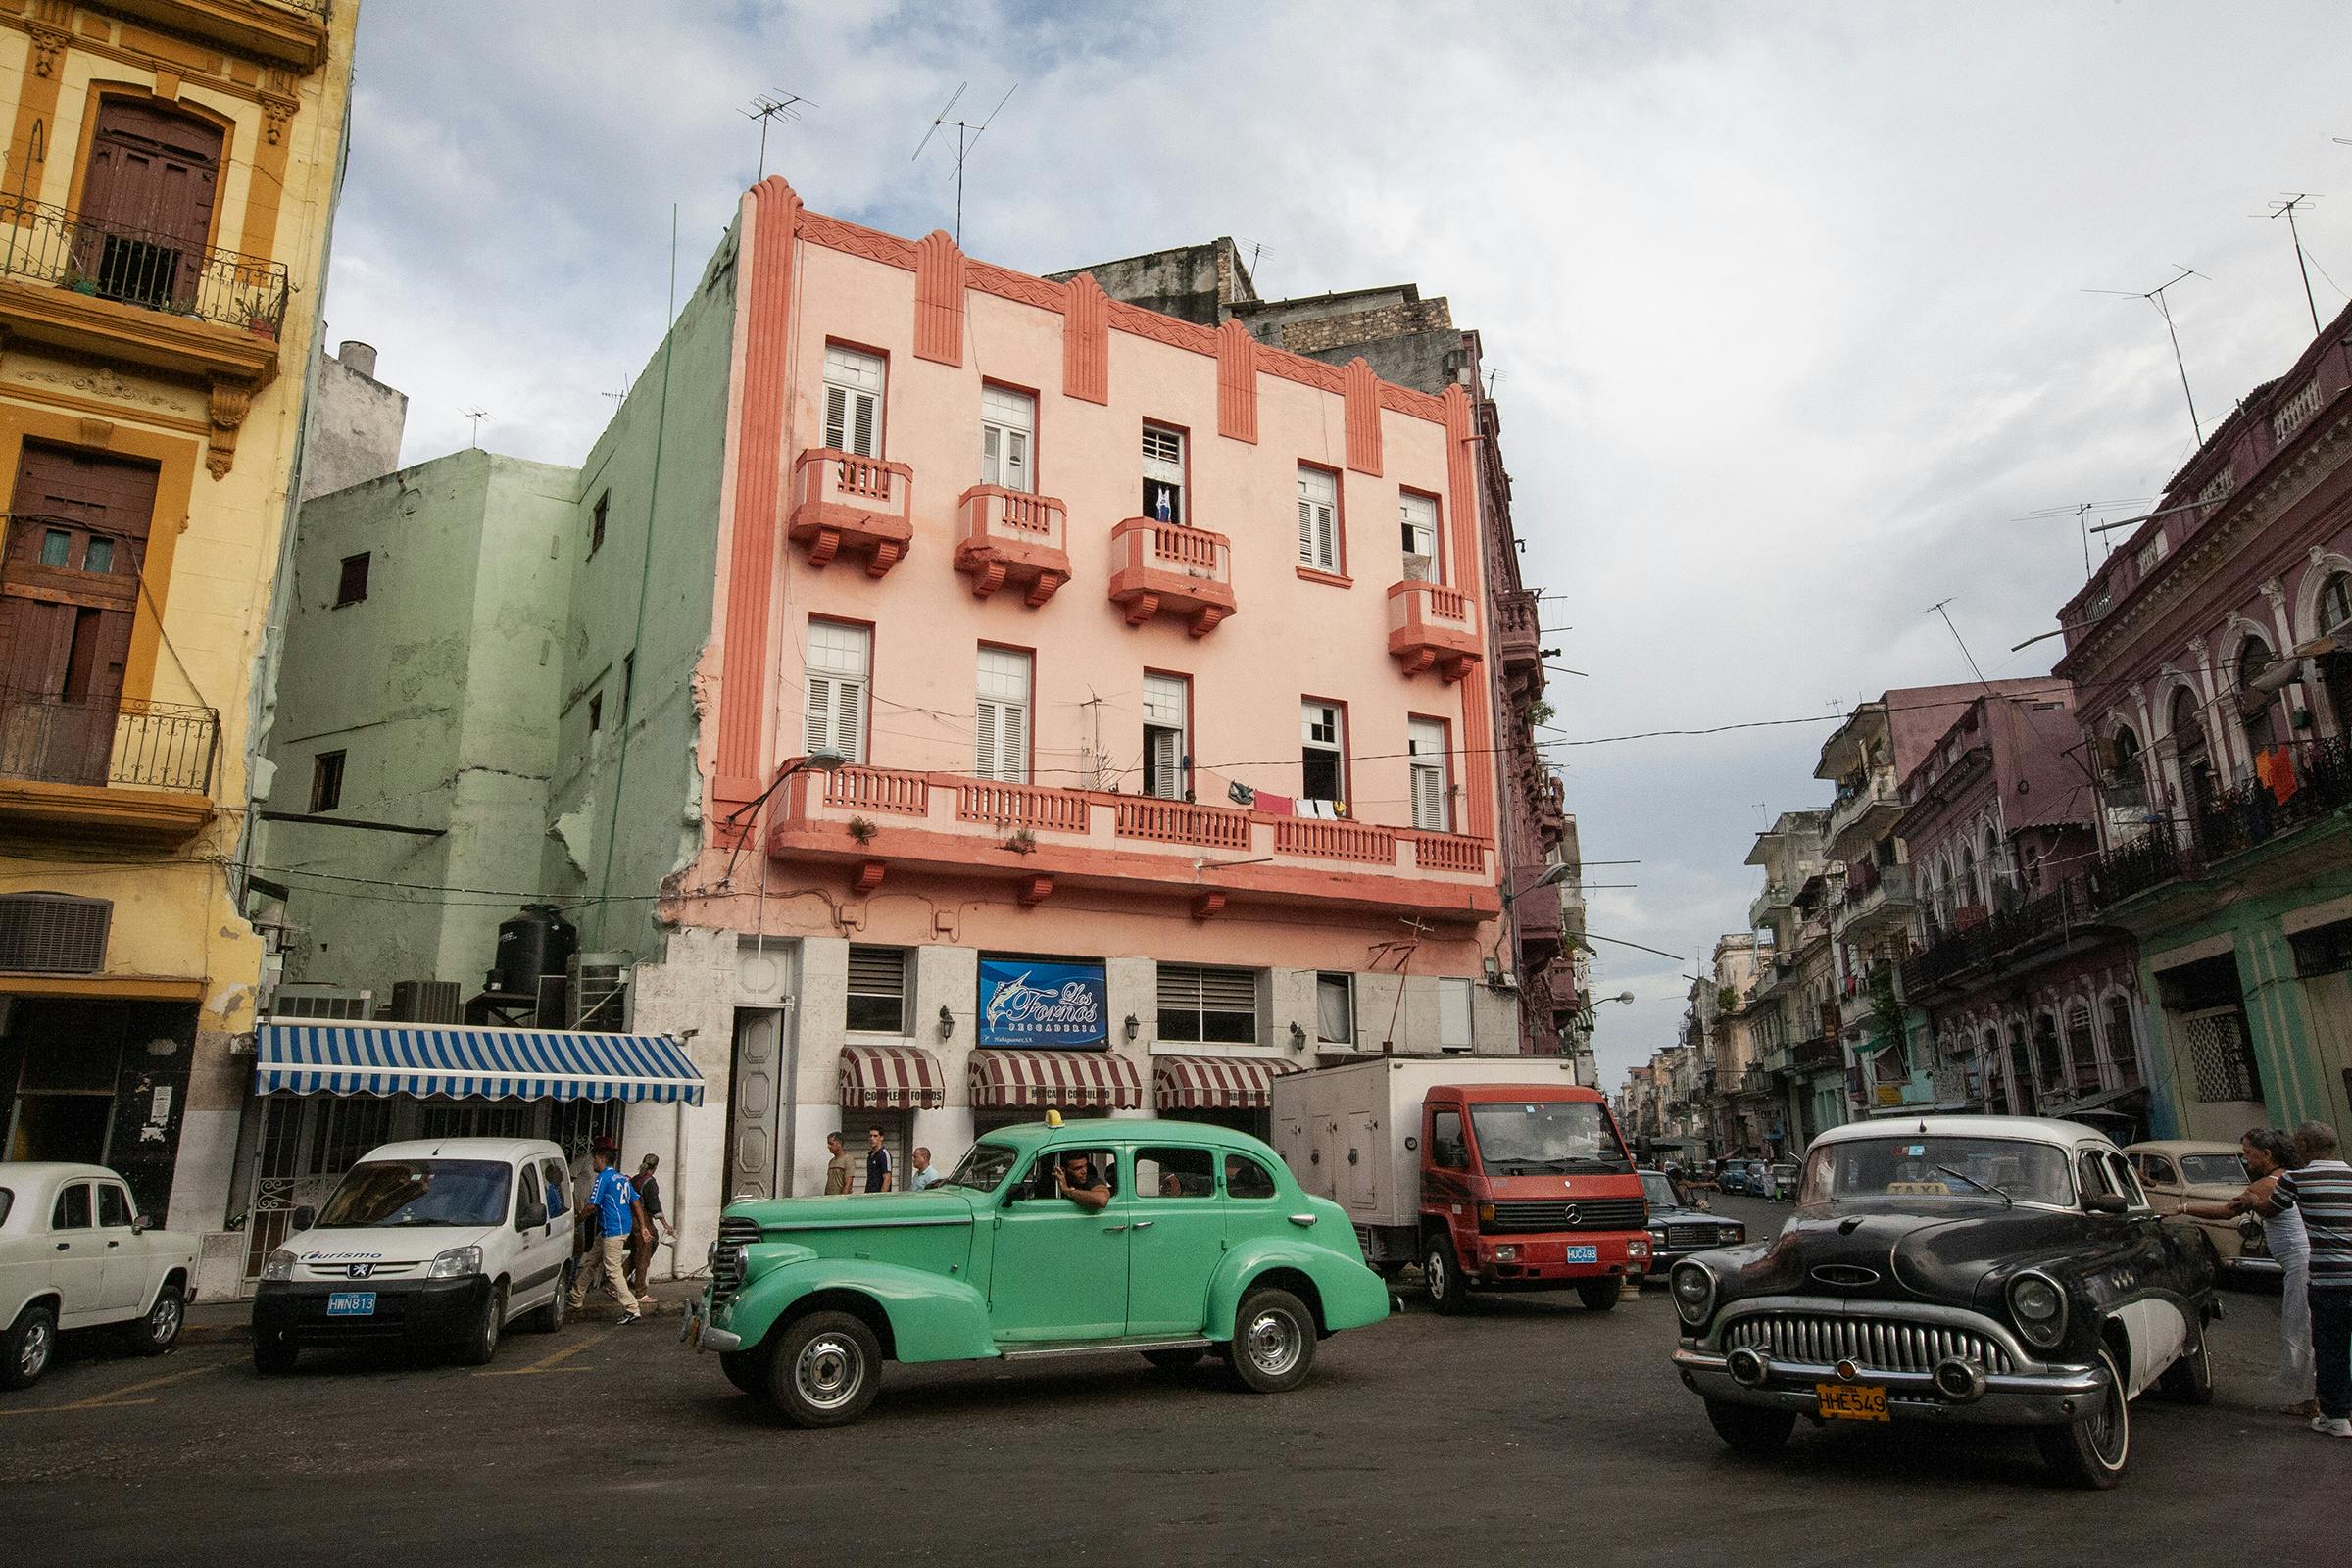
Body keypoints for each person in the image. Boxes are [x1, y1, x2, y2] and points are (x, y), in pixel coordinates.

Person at [2184, 1127, 2313, 1417]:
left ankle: (2310, 1398)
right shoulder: (2290, 1177)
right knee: (2305, 1327)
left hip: (2298, 1263)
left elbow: (2227, 1211)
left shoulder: (2267, 1185)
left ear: (2266, 1155)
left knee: (2299, 1330)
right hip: (2303, 1261)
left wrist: (2183, 1207)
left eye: (2248, 1154)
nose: (2246, 1160)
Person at [2258, 1119, 2352, 1437]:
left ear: (2305, 1147)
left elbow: (2272, 1210)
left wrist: (2251, 1201)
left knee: (2331, 1348)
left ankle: (2335, 1417)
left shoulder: (2296, 1178)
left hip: (2328, 1280)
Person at [567, 1140, 642, 1325]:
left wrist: (576, 1222)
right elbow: (636, 1202)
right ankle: (576, 1296)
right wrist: (643, 1225)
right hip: (618, 1227)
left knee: (612, 1269)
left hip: (613, 1229)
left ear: (601, 1159)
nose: (593, 1164)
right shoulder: (622, 1178)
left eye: (594, 1160)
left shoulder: (603, 1179)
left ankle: (632, 1307)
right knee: (592, 1260)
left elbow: (591, 1206)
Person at [627, 1153, 670, 1298]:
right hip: (643, 1221)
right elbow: (654, 1207)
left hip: (631, 1220)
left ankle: (613, 1285)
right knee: (643, 1256)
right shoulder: (649, 1182)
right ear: (655, 1167)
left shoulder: (635, 1179)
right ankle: (640, 1292)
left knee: (636, 1254)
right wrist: (666, 1225)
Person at [865, 1126, 895, 1194]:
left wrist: (881, 1197)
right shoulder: (870, 1156)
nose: (872, 1138)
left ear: (881, 1138)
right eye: (870, 1136)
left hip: (879, 1196)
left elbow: (887, 1179)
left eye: (875, 1136)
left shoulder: (884, 1155)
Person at [824, 1132, 853, 1196]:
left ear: (839, 1144)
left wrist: (842, 1200)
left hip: (839, 1200)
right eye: (828, 1143)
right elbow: (829, 1183)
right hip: (829, 1200)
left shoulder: (847, 1160)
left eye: (831, 1143)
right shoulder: (832, 1161)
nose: (828, 1146)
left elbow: (848, 1184)